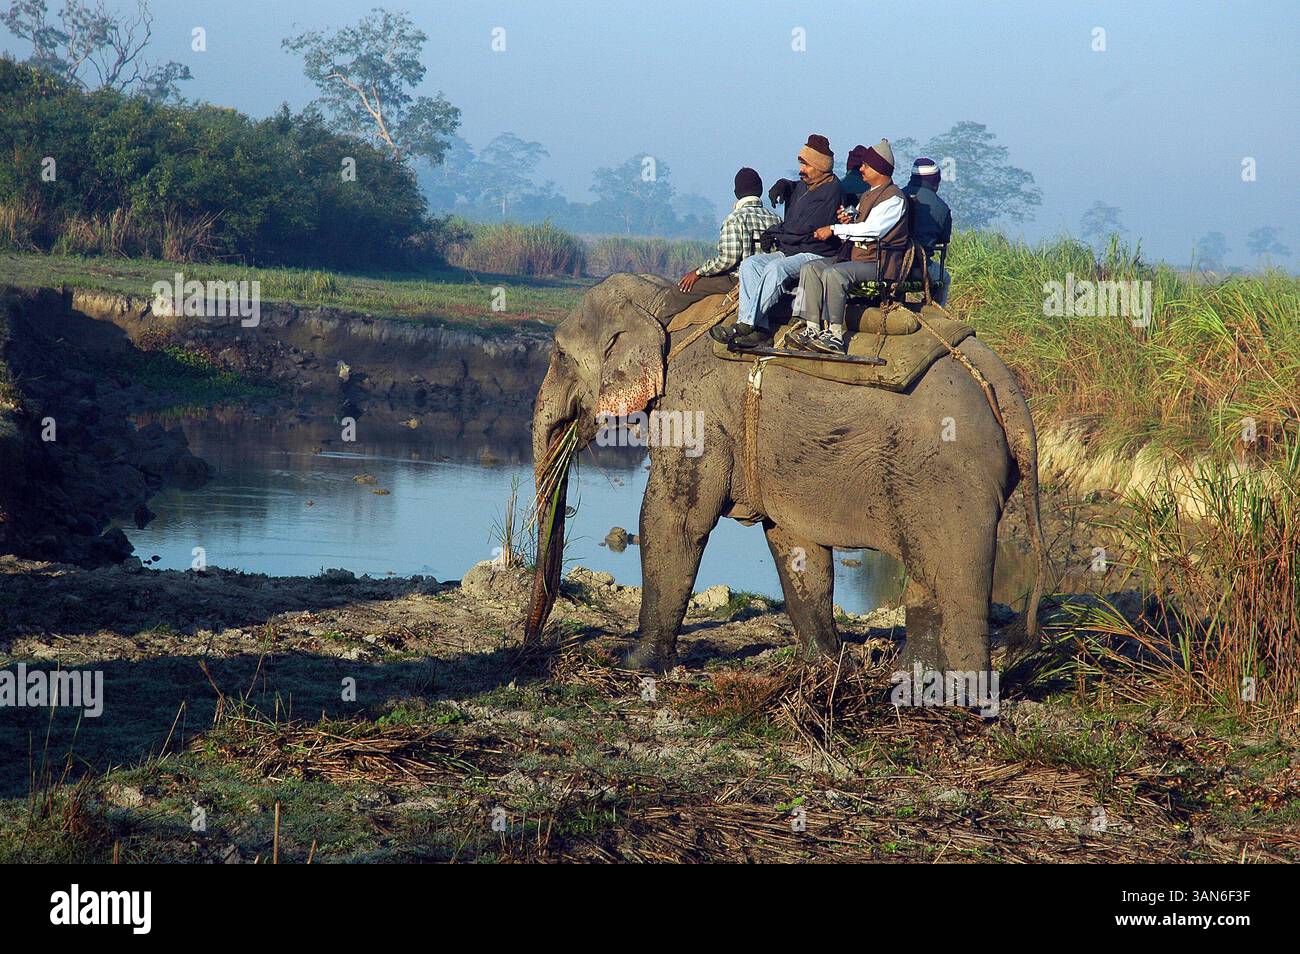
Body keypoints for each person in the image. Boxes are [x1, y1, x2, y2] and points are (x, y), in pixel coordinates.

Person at [710, 135, 843, 349]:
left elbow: (803, 227)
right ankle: (760, 330)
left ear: (820, 167)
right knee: (750, 264)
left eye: (806, 165)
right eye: (801, 164)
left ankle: (745, 323)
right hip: (791, 250)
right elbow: (797, 188)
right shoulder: (806, 184)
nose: (802, 170)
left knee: (775, 268)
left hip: (814, 253)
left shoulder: (830, 191)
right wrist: (785, 185)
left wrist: (774, 231)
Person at [786, 139, 908, 354]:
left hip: (878, 263)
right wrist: (848, 221)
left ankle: (835, 335)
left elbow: (873, 230)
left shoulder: (894, 199)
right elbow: (860, 226)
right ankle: (812, 327)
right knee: (811, 267)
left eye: (866, 166)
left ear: (879, 169)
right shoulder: (870, 194)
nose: (860, 168)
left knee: (835, 273)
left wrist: (834, 229)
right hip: (856, 258)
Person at [676, 167, 781, 302]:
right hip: (768, 278)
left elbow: (728, 259)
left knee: (680, 291)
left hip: (738, 279)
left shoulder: (735, 218)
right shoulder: (776, 219)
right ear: (760, 190)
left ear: (736, 192)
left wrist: (698, 272)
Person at [902, 157, 953, 305]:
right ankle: (936, 314)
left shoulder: (896, 196)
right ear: (935, 181)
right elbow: (943, 238)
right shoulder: (941, 207)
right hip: (920, 268)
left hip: (891, 265)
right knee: (945, 278)